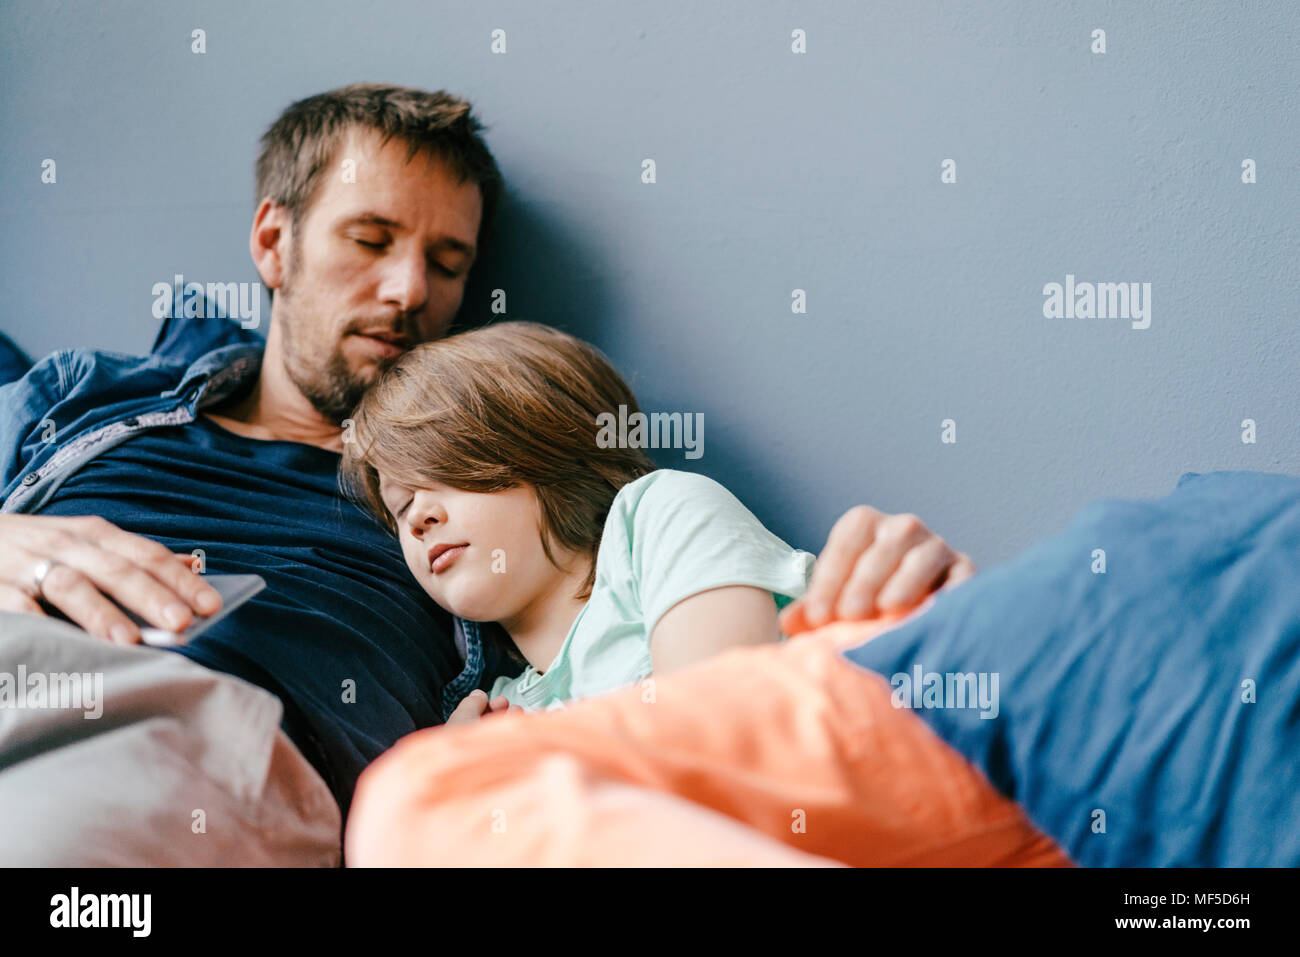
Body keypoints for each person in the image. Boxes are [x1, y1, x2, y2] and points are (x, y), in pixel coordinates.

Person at [0, 83, 972, 866]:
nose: (411, 289)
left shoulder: (513, 531)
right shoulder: (85, 397)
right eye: (371, 240)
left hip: (178, 731)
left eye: (448, 260)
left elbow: (693, 716)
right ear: (273, 241)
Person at [340, 321, 817, 717]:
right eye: (400, 508)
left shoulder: (659, 518)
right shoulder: (500, 708)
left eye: (444, 470)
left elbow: (713, 725)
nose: (418, 518)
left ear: (544, 440)